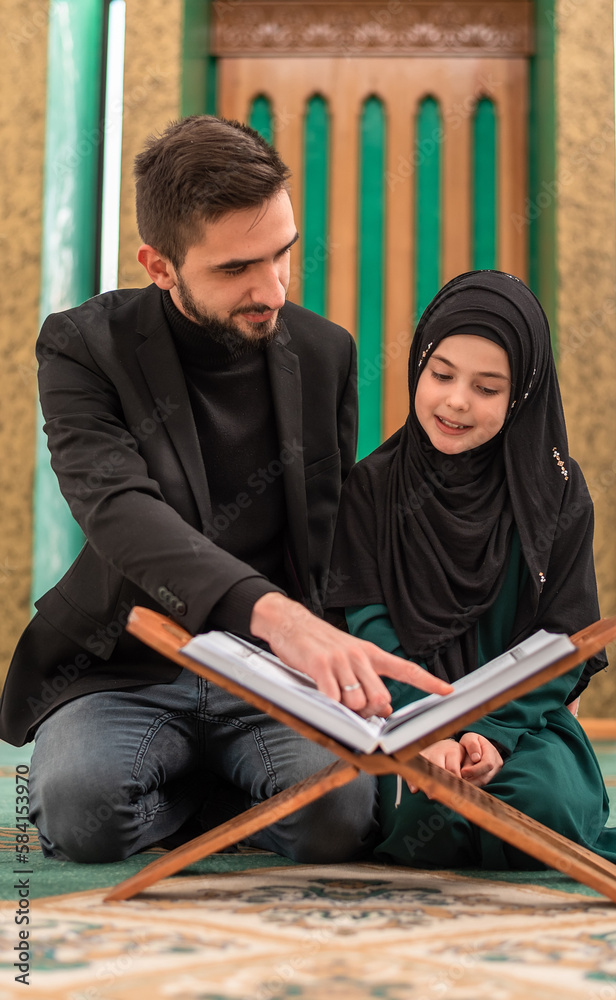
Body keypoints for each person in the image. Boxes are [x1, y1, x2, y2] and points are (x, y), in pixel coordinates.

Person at [0, 115, 449, 864]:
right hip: (124, 664)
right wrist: (275, 614)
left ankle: (222, 801)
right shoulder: (82, 347)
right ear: (160, 265)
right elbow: (119, 511)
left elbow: (333, 538)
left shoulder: (325, 351)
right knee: (81, 815)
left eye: (282, 255)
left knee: (338, 818)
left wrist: (361, 673)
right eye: (237, 268)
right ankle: (225, 805)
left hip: (275, 678)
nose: (271, 290)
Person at [327, 269, 616, 870]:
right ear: (418, 368)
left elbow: (564, 642)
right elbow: (369, 630)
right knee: (422, 819)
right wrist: (428, 732)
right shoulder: (372, 487)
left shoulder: (556, 494)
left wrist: (490, 734)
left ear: (523, 394)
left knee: (543, 807)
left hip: (520, 719)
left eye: (488, 388)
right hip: (401, 719)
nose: (457, 401)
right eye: (441, 375)